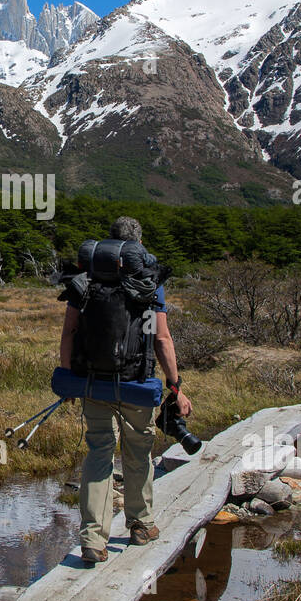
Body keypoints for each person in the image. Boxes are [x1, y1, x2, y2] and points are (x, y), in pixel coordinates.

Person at [59, 216, 192, 564]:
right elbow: (161, 338)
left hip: (93, 382)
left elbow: (70, 333)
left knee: (99, 453)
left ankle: (92, 540)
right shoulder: (148, 283)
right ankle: (140, 524)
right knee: (138, 452)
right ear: (137, 245)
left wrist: (69, 377)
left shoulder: (86, 280)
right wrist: (175, 385)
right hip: (136, 384)